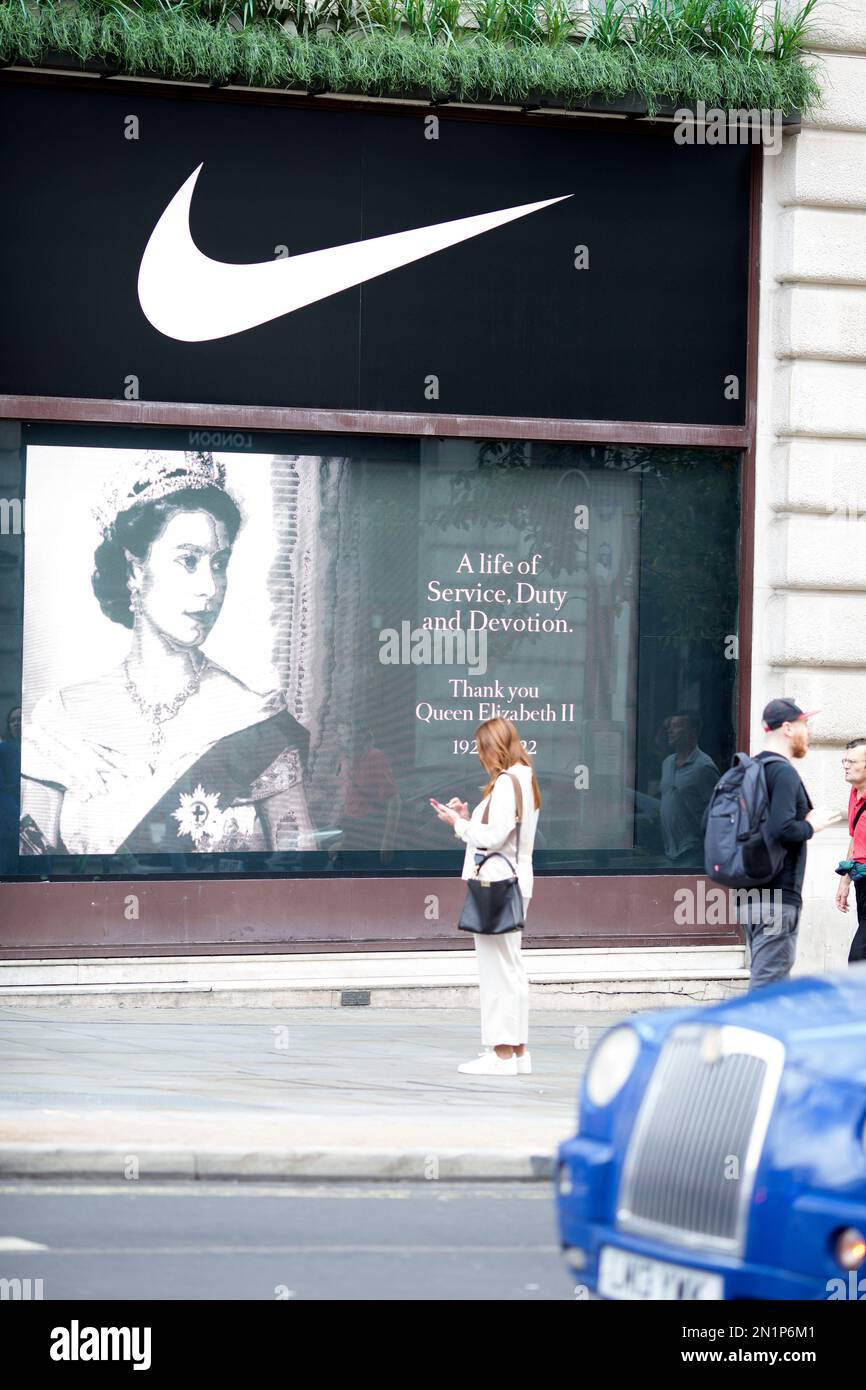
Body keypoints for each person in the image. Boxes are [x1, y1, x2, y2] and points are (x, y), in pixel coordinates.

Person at [20, 452, 316, 856]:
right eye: (188, 560)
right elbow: (30, 882)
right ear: (135, 569)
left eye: (219, 563)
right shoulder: (63, 720)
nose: (210, 588)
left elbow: (299, 875)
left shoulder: (255, 719)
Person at [432, 716, 540, 1076]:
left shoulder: (508, 783)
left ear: (496, 747)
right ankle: (519, 1051)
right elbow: (504, 832)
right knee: (511, 968)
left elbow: (493, 838)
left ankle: (502, 1053)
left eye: (483, 749)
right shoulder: (525, 777)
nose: (481, 757)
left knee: (497, 972)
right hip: (514, 881)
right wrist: (468, 818)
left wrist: (457, 824)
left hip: (495, 883)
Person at [736, 698, 839, 989]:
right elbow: (782, 828)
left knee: (766, 978)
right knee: (769, 988)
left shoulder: (749, 769)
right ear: (787, 728)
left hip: (749, 894)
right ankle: (749, 1034)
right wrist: (811, 825)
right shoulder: (782, 771)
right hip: (777, 897)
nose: (808, 732)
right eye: (804, 725)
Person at [659, 710, 719, 867]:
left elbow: (716, 810)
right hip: (669, 852)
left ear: (692, 733)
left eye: (677, 726)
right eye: (670, 726)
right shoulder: (667, 763)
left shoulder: (703, 767)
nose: (670, 731)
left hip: (693, 853)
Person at [834, 737, 866, 963]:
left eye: (852, 761)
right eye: (845, 760)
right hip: (861, 879)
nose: (846, 765)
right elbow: (855, 839)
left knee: (858, 957)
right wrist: (844, 881)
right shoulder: (855, 794)